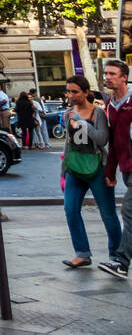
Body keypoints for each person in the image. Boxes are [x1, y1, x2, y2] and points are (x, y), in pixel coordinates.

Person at [61, 75, 121, 269]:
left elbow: (102, 139)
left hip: (97, 167)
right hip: (75, 167)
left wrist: (82, 122)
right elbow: (68, 143)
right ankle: (82, 253)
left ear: (86, 93)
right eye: (68, 91)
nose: (70, 95)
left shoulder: (98, 113)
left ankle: (116, 255)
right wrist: (63, 171)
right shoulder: (68, 113)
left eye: (75, 92)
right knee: (70, 209)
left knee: (108, 213)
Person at [100, 59, 132, 278]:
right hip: (127, 167)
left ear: (124, 77)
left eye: (112, 74)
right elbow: (112, 142)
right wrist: (110, 172)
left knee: (128, 212)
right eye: (106, 73)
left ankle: (121, 262)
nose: (108, 77)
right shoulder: (111, 105)